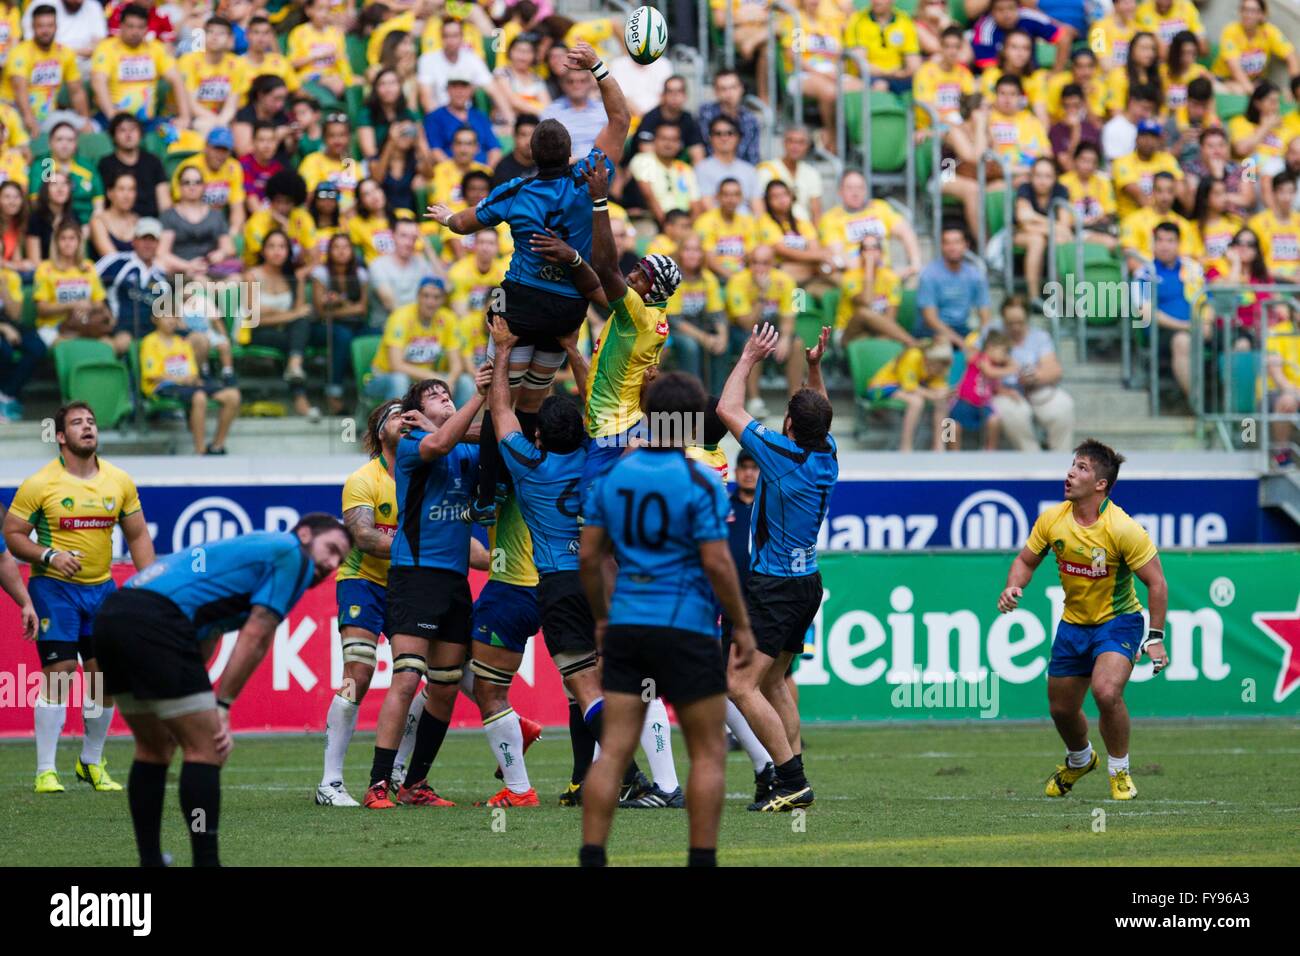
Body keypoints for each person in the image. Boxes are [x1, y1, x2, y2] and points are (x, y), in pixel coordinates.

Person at [431, 39, 629, 524]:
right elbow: (621, 120)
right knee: (534, 401)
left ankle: (487, 493)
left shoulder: (515, 189)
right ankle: (535, 476)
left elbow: (464, 224)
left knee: (501, 398)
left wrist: (444, 217)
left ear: (530, 155)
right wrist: (599, 68)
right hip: (566, 308)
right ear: (571, 152)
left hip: (518, 305)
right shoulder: (589, 177)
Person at [93, 514, 350, 865]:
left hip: (112, 617)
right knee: (206, 750)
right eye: (331, 549)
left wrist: (197, 697)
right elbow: (258, 632)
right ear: (304, 534)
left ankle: (151, 860)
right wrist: (222, 705)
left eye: (341, 560)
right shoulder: (293, 554)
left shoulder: (250, 551)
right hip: (158, 622)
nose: (332, 564)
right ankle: (206, 860)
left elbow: (206, 633)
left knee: (153, 749)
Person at [576, 368, 754, 867]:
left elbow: (590, 559)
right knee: (707, 753)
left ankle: (592, 856)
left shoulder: (612, 477)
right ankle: (700, 859)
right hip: (688, 626)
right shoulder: (701, 482)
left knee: (613, 751)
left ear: (650, 416)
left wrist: (603, 618)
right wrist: (740, 623)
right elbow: (718, 562)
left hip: (629, 624)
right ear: (693, 419)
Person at [997, 440, 1168, 801]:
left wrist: (1154, 636)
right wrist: (1013, 587)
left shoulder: (1123, 528)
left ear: (1101, 484)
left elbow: (1156, 582)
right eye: (1073, 465)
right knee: (1061, 708)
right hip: (1073, 624)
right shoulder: (1052, 519)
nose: (1071, 473)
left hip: (1118, 622)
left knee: (1106, 692)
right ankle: (1080, 759)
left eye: (1083, 468)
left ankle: (1119, 771)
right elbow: (1026, 561)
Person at [4, 402, 155, 794]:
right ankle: (44, 770)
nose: (87, 427)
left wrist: (154, 584)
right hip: (53, 588)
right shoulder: (41, 484)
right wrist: (49, 554)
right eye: (76, 423)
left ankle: (90, 762)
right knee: (61, 672)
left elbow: (137, 535)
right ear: (59, 436)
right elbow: (13, 535)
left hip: (101, 589)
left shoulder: (119, 480)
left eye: (91, 421)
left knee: (103, 678)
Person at [715, 322, 834, 811]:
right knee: (773, 680)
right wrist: (813, 368)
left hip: (776, 585)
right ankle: (795, 775)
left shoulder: (780, 454)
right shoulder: (825, 453)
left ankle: (789, 779)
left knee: (738, 684)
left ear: (788, 423)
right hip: (806, 583)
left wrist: (747, 356)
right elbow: (817, 414)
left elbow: (727, 408)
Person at [361, 372, 490, 810]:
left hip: (455, 580)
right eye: (434, 396)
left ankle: (416, 783)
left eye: (447, 394)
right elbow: (439, 444)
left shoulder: (467, 448)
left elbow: (491, 437)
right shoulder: (415, 444)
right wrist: (479, 395)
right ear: (415, 413)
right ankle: (379, 783)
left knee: (447, 686)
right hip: (415, 575)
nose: (445, 399)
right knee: (407, 676)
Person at [317, 402, 403, 807]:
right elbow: (365, 538)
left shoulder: (424, 476)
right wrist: (421, 550)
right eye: (396, 414)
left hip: (406, 586)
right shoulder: (362, 479)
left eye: (410, 411)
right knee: (358, 673)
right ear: (379, 431)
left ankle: (401, 773)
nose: (405, 417)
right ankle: (330, 782)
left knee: (441, 674)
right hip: (362, 583)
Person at [138, 302, 240, 454]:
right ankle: (200, 451)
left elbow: (192, 372)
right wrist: (181, 380)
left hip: (187, 385)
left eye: (174, 316)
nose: (171, 320)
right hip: (163, 387)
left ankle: (217, 446)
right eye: (166, 316)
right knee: (199, 397)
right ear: (154, 319)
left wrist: (190, 379)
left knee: (232, 395)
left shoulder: (183, 343)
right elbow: (152, 376)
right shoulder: (149, 342)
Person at [989, 297, 1076, 451]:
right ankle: (1033, 459)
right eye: (1010, 323)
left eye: (1020, 322)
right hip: (1004, 391)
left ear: (1028, 318)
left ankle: (1061, 461)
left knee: (1064, 404)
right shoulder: (992, 334)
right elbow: (976, 364)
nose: (1015, 327)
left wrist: (1035, 377)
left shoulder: (1039, 337)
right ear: (1003, 319)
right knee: (1014, 411)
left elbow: (1054, 370)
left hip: (1035, 388)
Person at [90, 3, 191, 129]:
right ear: (121, 26)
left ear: (146, 29)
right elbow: (98, 82)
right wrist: (112, 115)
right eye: (130, 26)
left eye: (140, 27)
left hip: (147, 121)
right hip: (112, 117)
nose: (135, 32)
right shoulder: (106, 48)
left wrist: (184, 117)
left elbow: (176, 79)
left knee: (175, 135)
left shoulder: (156, 48)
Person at [368, 276, 465, 403]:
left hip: (424, 380)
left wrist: (449, 381)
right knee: (399, 380)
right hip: (385, 376)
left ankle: (455, 422)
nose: (430, 302)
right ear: (418, 296)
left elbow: (456, 363)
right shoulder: (400, 317)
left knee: (465, 382)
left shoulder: (448, 318)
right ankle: (397, 421)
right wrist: (435, 378)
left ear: (442, 300)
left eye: (436, 297)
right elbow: (396, 365)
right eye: (426, 296)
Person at [7, 4, 90, 137]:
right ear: (33, 27)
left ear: (56, 27)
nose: (45, 30)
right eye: (40, 26)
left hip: (48, 117)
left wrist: (86, 120)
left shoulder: (65, 53)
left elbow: (77, 92)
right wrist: (30, 121)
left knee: (88, 128)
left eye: (49, 25)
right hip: (16, 115)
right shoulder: (20, 53)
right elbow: (20, 91)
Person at [868, 339, 953, 452]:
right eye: (937, 367)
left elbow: (939, 386)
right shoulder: (913, 355)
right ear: (928, 360)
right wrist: (932, 395)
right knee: (916, 402)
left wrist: (944, 393)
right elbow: (909, 386)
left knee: (942, 401)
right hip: (881, 387)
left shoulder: (939, 364)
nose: (939, 371)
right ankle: (906, 447)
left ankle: (939, 446)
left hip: (902, 388)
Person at [33, 217, 107, 347]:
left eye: (72, 238)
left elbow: (99, 302)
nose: (68, 243)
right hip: (52, 328)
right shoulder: (45, 268)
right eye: (63, 238)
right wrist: (72, 305)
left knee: (106, 346)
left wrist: (88, 306)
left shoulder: (88, 267)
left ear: (79, 241)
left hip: (85, 325)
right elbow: (41, 309)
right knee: (71, 348)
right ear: (56, 242)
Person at [916, 226, 993, 348]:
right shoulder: (929, 274)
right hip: (932, 331)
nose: (952, 248)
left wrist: (985, 339)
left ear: (965, 245)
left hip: (961, 328)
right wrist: (960, 343)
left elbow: (985, 312)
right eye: (947, 243)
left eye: (957, 242)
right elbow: (930, 319)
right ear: (941, 246)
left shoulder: (975, 274)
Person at [175, 15, 243, 137]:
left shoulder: (237, 64)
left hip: (223, 119)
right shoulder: (188, 61)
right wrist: (217, 123)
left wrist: (221, 122)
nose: (214, 37)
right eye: (210, 32)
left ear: (230, 39)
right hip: (194, 118)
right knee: (204, 125)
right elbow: (192, 105)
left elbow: (231, 105)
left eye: (221, 33)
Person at [1215, 0, 1300, 95]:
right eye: (1245, 10)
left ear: (1262, 15)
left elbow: (1291, 56)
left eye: (1253, 11)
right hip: (1226, 80)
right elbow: (1235, 68)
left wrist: (1294, 89)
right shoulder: (1231, 31)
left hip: (1255, 82)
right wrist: (1254, 93)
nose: (1248, 15)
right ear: (1240, 12)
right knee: (1240, 90)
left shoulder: (1268, 31)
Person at [368, 218, 437, 328]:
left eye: (413, 238)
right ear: (393, 236)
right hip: (386, 327)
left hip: (418, 327)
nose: (408, 243)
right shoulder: (378, 265)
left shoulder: (421, 262)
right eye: (403, 236)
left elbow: (447, 287)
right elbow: (391, 305)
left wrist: (428, 249)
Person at [417, 15, 493, 113]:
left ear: (462, 37)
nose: (450, 41)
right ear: (441, 38)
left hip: (467, 117)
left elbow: (492, 88)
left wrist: (510, 120)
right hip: (439, 116)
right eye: (446, 36)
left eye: (455, 35)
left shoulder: (472, 58)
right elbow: (426, 99)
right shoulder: (427, 59)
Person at [98, 113, 169, 219]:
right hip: (117, 221)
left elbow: (164, 201)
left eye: (133, 129)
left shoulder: (153, 161)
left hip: (150, 223)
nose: (128, 134)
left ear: (140, 134)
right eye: (122, 130)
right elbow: (102, 201)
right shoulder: (106, 164)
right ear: (113, 136)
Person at [0, 267, 45, 420]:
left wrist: (3, 287)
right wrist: (3, 328)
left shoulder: (10, 276)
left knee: (37, 347)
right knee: (4, 351)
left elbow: (15, 315)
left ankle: (7, 395)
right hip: (4, 328)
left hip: (10, 324)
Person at [540, 60, 607, 159]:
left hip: (600, 164)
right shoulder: (550, 112)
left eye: (582, 81)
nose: (576, 85)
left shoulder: (603, 111)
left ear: (590, 84)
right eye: (571, 81)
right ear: (562, 84)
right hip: (565, 166)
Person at [755, 126, 823, 223]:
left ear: (807, 146)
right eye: (791, 141)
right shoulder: (766, 171)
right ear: (784, 143)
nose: (795, 146)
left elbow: (816, 212)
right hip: (775, 231)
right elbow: (760, 208)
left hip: (805, 231)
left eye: (801, 142)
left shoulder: (812, 173)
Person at [286, 0, 353, 98]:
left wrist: (349, 79)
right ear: (308, 10)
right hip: (308, 77)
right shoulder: (298, 33)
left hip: (333, 75)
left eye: (328, 10)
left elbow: (343, 62)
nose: (325, 14)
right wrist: (317, 57)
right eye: (320, 9)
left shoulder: (336, 33)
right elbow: (292, 63)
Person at [633, 74, 705, 164]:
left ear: (685, 96)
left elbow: (698, 156)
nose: (674, 96)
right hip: (646, 168)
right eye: (670, 91)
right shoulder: (650, 118)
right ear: (662, 95)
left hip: (677, 169)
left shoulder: (689, 119)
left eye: (679, 91)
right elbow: (648, 156)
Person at [698, 68, 761, 165]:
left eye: (733, 88)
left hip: (742, 173)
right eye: (723, 89)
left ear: (741, 88)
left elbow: (752, 157)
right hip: (711, 170)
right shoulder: (706, 113)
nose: (729, 94)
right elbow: (705, 149)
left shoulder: (750, 119)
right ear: (715, 92)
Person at [492, 113, 538, 187]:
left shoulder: (547, 164)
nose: (528, 141)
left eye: (533, 135)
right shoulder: (503, 170)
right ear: (515, 137)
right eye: (523, 135)